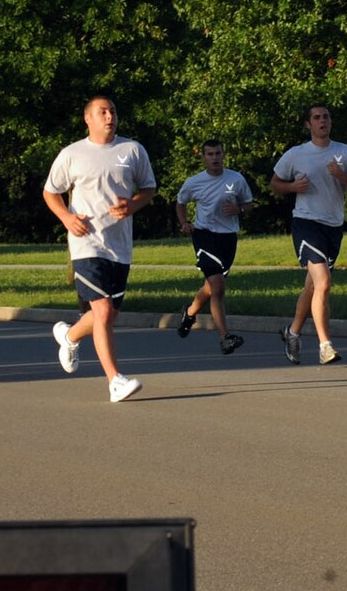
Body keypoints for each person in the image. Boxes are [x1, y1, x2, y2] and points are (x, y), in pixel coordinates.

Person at [42, 94, 157, 402]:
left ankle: (69, 335)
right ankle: (115, 381)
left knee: (109, 314)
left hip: (119, 246)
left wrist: (131, 205)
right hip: (85, 242)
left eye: (113, 111)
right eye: (102, 112)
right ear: (88, 118)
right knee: (103, 309)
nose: (110, 116)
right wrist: (66, 217)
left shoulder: (132, 150)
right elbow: (50, 192)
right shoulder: (72, 154)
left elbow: (148, 189)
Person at [271, 104, 347, 364]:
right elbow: (274, 184)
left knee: (313, 286)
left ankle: (292, 332)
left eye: (325, 117)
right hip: (305, 223)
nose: (322, 121)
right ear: (308, 124)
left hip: (333, 227)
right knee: (323, 283)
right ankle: (325, 346)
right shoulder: (296, 154)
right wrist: (292, 186)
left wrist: (343, 176)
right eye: (316, 117)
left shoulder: (345, 153)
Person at [172, 139, 252, 354]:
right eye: (210, 154)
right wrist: (184, 223)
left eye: (218, 153)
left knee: (211, 286)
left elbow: (248, 204)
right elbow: (180, 202)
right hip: (204, 235)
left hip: (228, 237)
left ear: (223, 155)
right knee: (217, 286)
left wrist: (239, 210)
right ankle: (225, 337)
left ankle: (189, 313)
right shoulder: (194, 182)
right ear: (203, 157)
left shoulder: (236, 179)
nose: (215, 158)